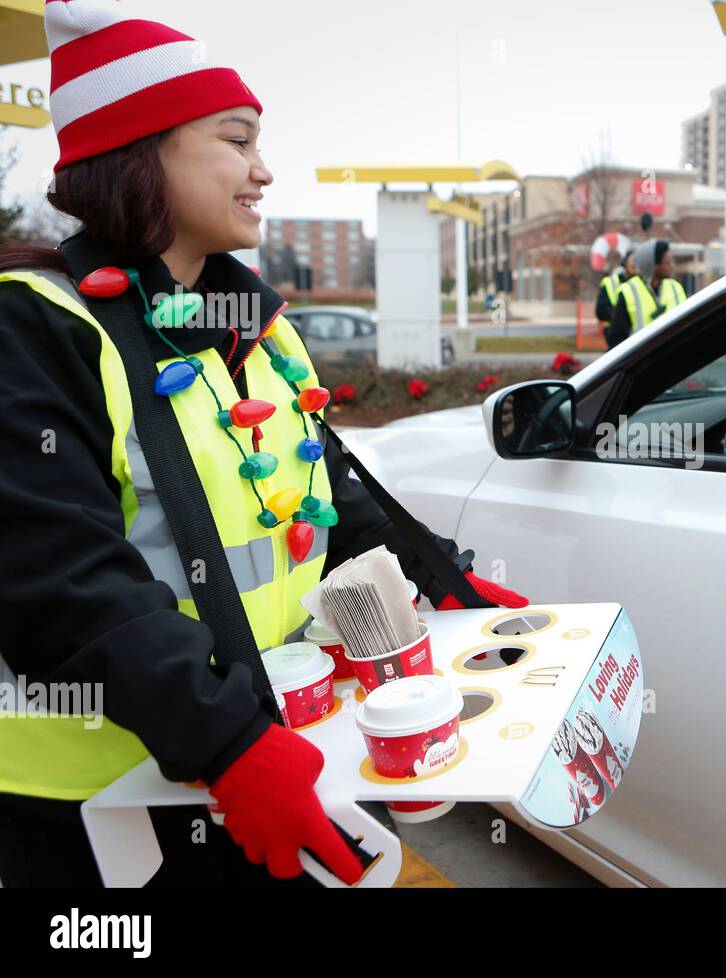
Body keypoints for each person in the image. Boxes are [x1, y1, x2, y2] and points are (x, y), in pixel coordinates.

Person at [0, 1, 528, 888]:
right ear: (142, 151)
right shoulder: (36, 327)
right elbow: (58, 578)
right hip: (96, 813)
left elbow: (336, 510)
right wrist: (230, 742)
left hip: (258, 760)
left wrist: (453, 590)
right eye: (237, 140)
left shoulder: (260, 331)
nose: (265, 170)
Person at [607, 239, 684, 346]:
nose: (671, 266)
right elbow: (616, 339)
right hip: (642, 359)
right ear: (654, 265)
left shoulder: (676, 288)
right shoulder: (629, 292)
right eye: (667, 262)